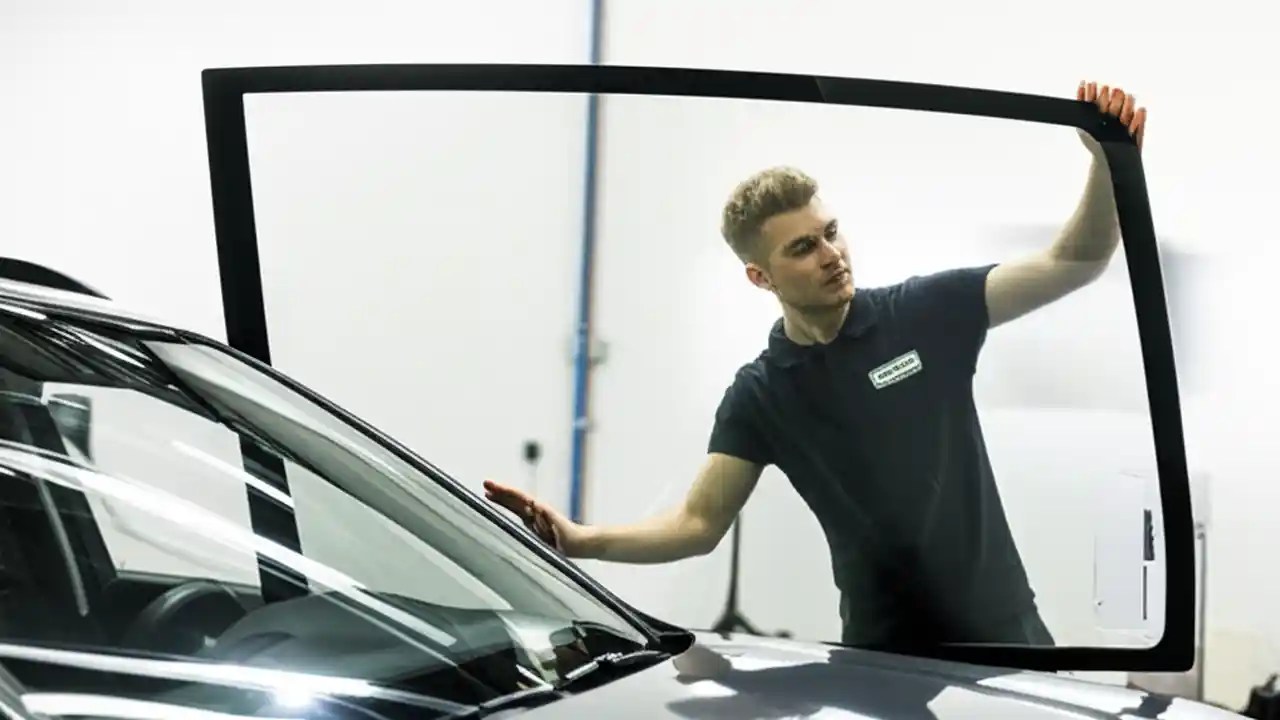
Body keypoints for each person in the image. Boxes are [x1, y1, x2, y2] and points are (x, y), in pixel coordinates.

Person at [484, 80, 1148, 648]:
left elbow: (1075, 262)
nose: (831, 254)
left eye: (831, 232)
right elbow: (696, 524)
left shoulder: (925, 313)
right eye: (803, 247)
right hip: (884, 659)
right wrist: (583, 539)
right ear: (758, 275)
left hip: (1007, 636)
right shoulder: (761, 394)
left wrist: (1107, 164)